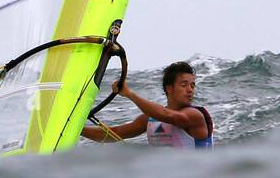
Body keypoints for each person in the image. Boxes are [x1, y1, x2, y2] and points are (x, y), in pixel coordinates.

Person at [81, 60, 213, 148]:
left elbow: (169, 116)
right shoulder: (150, 120)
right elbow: (114, 134)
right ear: (169, 88)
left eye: (192, 85)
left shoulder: (195, 116)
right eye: (184, 85)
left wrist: (129, 94)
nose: (190, 89)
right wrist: (79, 129)